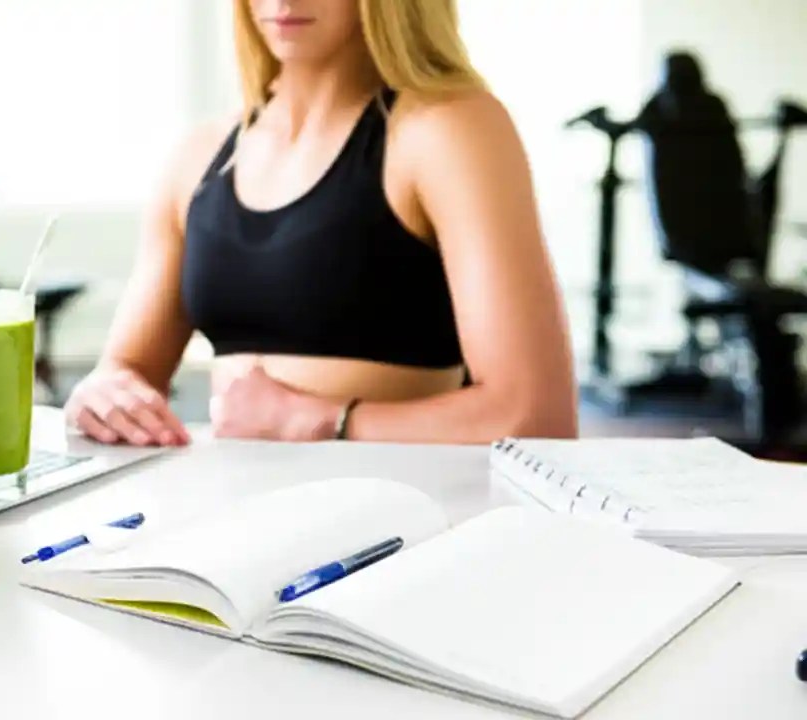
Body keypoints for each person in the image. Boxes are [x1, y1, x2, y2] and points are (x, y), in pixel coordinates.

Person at [65, 0, 577, 445]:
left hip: (396, 529)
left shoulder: (446, 129)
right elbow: (128, 370)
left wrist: (318, 419)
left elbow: (535, 416)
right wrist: (104, 393)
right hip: (229, 518)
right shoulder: (198, 157)